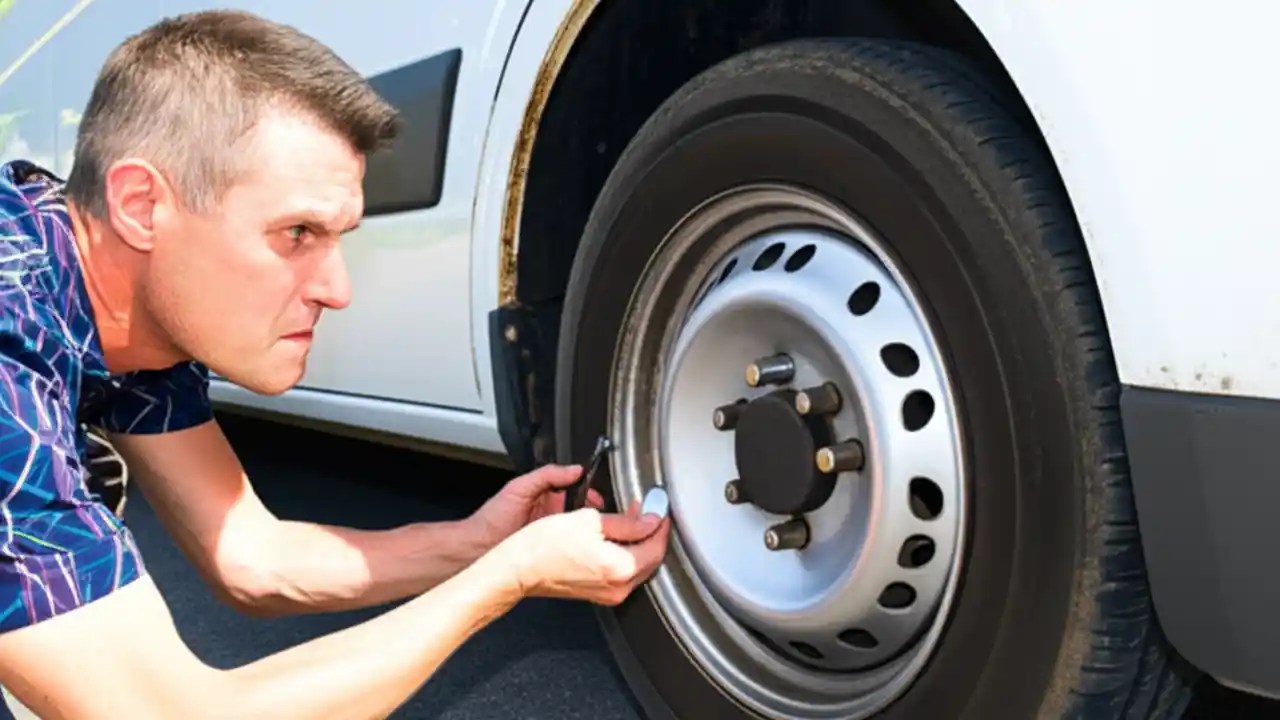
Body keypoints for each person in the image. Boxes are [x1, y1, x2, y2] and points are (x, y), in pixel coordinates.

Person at [0, 9, 670, 719]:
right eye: (296, 233)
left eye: (339, 236)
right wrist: (507, 579)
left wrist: (481, 541)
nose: (338, 290)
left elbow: (254, 561)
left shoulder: (126, 304)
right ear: (141, 205)